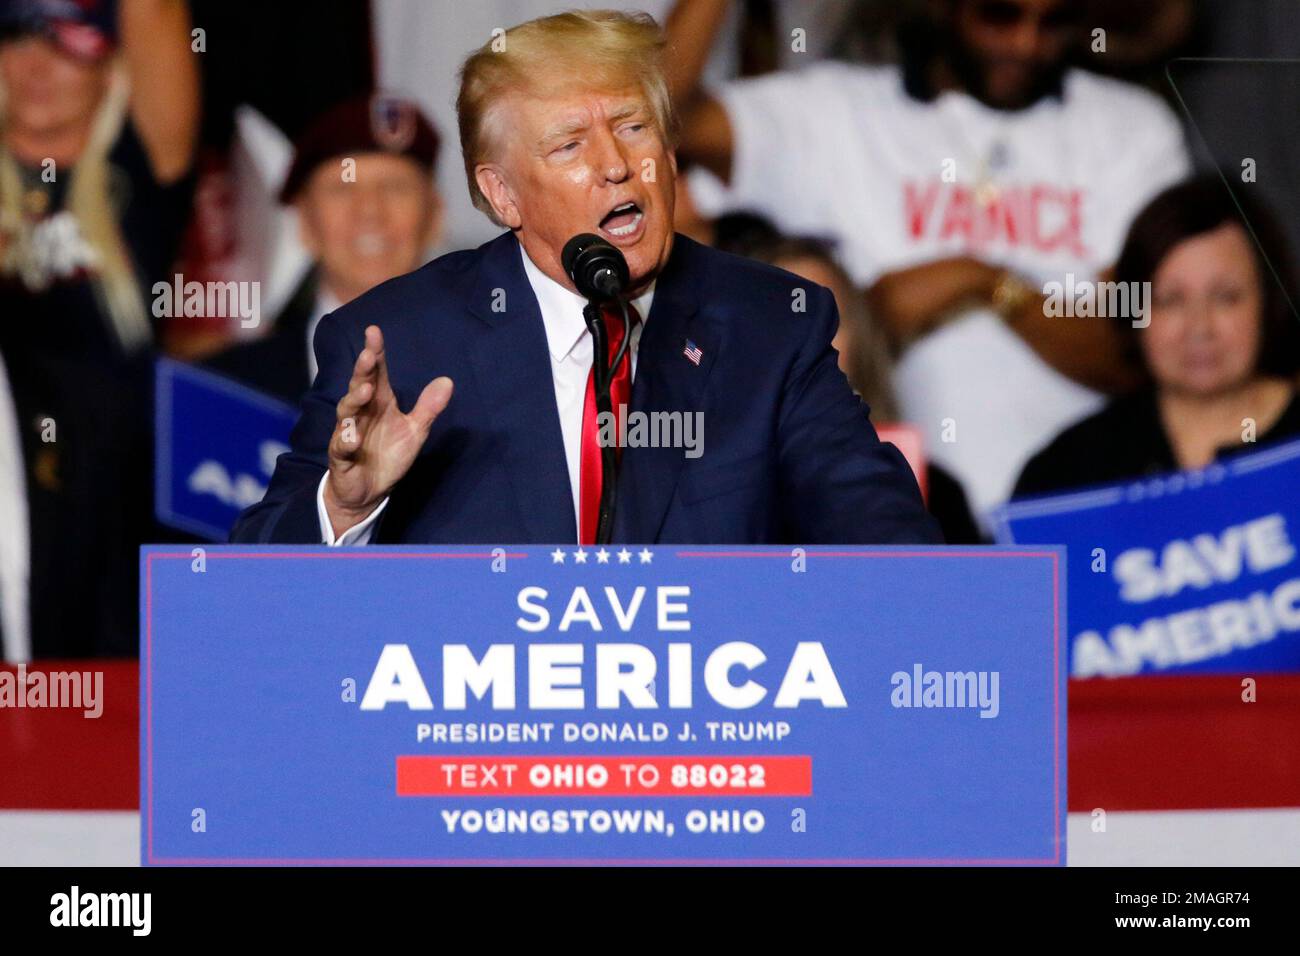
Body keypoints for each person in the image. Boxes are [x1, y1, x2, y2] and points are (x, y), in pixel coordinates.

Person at [231, 10, 939, 547]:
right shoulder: (405, 341)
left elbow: (885, 538)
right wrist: (346, 508)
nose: (616, 165)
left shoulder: (768, 325)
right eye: (570, 144)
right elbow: (251, 586)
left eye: (633, 128)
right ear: (502, 194)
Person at [665, 0, 1191, 527]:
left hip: (1088, 510)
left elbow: (1136, 355)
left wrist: (983, 284)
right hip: (891, 511)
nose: (1025, 44)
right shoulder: (833, 114)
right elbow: (658, 110)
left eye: (1056, 21)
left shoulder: (1132, 128)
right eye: (1000, 16)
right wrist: (869, 317)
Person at [1014, 176, 1300, 497]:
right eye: (1170, 300)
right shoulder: (1067, 473)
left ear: (1269, 302)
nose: (1200, 328)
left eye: (1226, 297)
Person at [203, 93, 444, 405]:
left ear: (435, 216)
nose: (370, 211)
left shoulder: (496, 379)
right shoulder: (224, 391)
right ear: (303, 221)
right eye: (343, 189)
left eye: (395, 187)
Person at [747, 234, 982, 543]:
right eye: (782, 327)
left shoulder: (935, 493)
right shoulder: (695, 489)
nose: (806, 348)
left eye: (827, 324)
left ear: (859, 341)